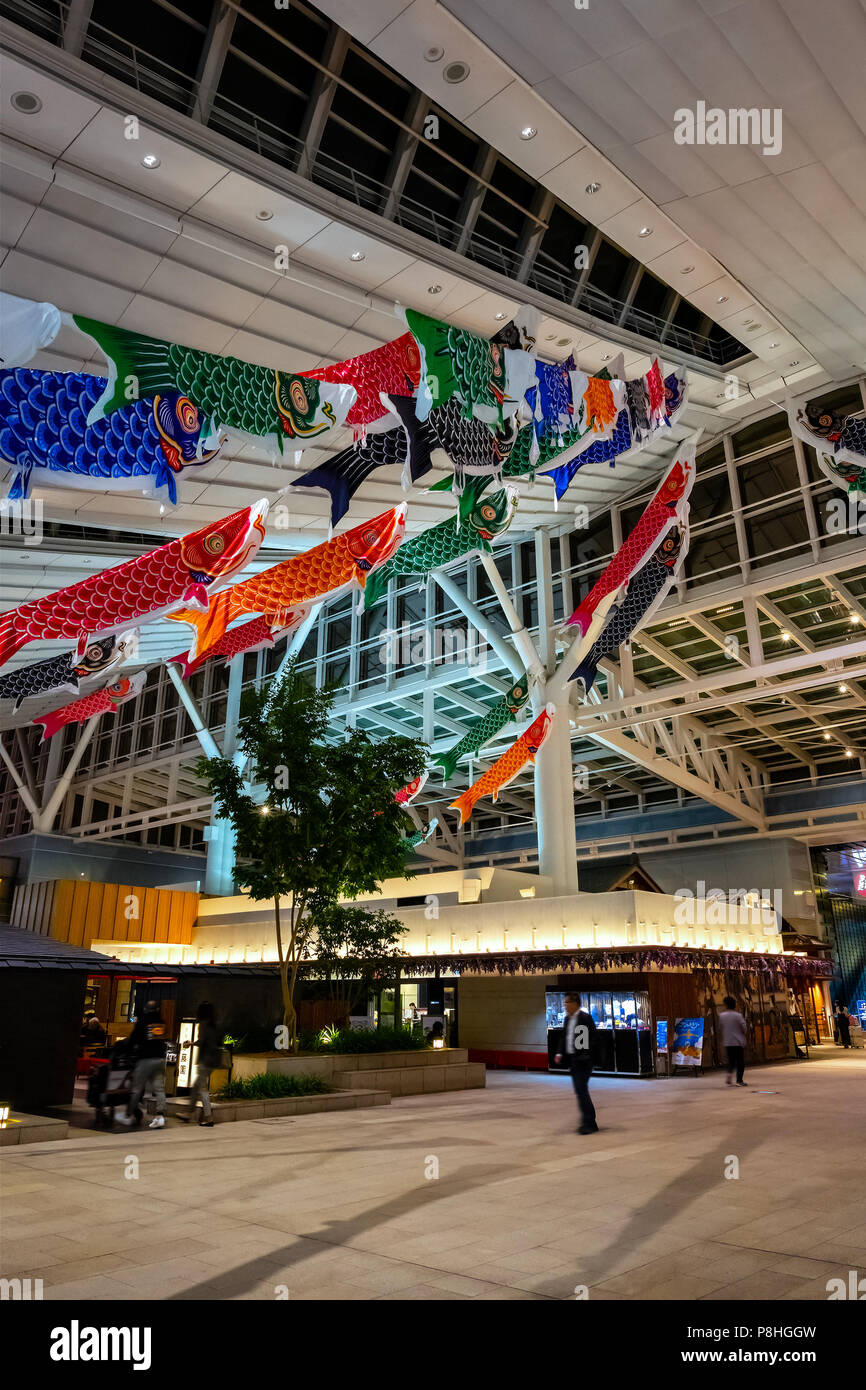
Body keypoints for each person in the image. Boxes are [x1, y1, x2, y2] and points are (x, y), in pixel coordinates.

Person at [117, 1000, 168, 1129]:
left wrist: (125, 1051)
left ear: (146, 1009)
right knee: (159, 1089)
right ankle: (160, 1116)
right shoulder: (161, 1023)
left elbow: (133, 1039)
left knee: (136, 1089)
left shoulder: (142, 1022)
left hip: (146, 1059)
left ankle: (127, 1116)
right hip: (160, 1059)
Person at [554, 993, 598, 1134]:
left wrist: (587, 1055)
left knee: (581, 1089)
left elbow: (593, 1038)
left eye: (567, 1003)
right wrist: (560, 1053)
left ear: (575, 1003)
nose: (565, 1006)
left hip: (583, 1060)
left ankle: (589, 1122)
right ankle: (589, 1121)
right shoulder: (567, 1019)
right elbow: (564, 1037)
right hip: (573, 1059)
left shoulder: (585, 1018)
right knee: (580, 1091)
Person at [177, 1002, 222, 1127]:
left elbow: (202, 1042)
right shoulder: (214, 1025)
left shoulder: (202, 1025)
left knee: (202, 1090)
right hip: (213, 1061)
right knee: (196, 1088)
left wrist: (191, 1044)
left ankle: (208, 1117)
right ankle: (189, 1113)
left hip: (205, 1061)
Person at [719, 996, 748, 1085]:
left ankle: (729, 1074)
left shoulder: (722, 1016)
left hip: (728, 1042)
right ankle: (739, 1080)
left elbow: (720, 1028)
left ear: (726, 1005)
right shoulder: (738, 1015)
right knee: (740, 1062)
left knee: (731, 1060)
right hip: (738, 1042)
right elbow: (744, 1027)